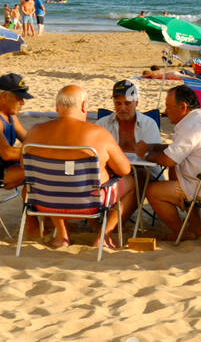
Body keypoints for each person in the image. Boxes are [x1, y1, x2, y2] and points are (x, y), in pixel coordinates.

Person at [24, 85, 135, 250]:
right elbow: (124, 170)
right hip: (88, 203)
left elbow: (26, 169)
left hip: (45, 202)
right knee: (131, 183)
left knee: (53, 181)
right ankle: (103, 235)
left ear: (56, 107)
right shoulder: (99, 134)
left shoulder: (34, 133)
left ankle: (62, 235)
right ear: (83, 106)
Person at [138, 85, 201, 242]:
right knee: (178, 173)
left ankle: (181, 232)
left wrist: (145, 154)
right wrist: (153, 147)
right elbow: (179, 149)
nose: (165, 111)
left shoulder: (191, 125)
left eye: (168, 106)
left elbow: (169, 160)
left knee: (153, 191)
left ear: (183, 107)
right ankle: (196, 227)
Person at [95, 78, 163, 183]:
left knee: (140, 173)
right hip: (113, 172)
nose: (122, 108)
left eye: (127, 103)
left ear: (136, 103)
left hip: (146, 175)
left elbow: (154, 156)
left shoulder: (149, 124)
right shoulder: (102, 124)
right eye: (118, 103)